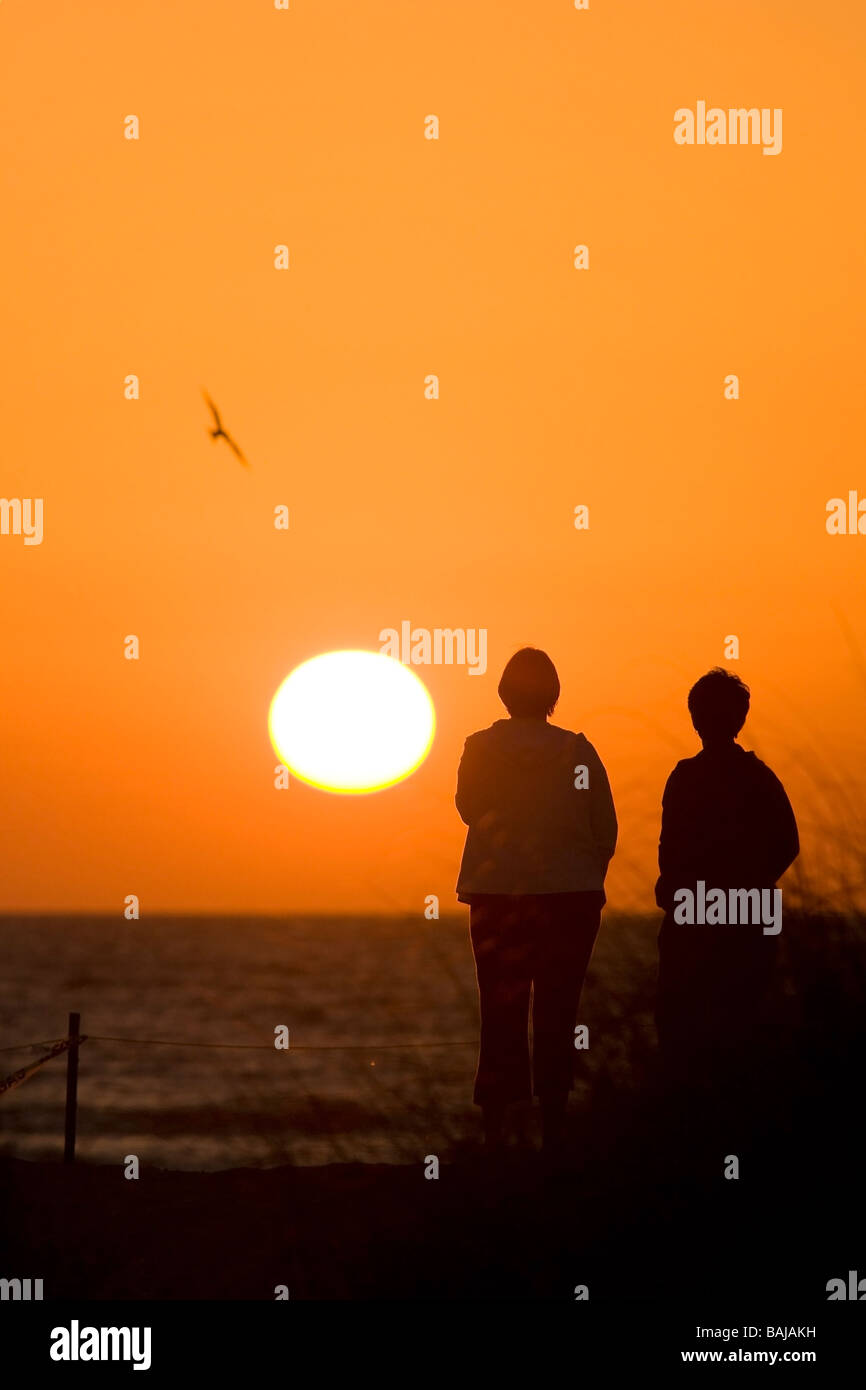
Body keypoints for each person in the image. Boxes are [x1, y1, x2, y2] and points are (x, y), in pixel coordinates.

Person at [455, 648, 617, 1152]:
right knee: (558, 1012)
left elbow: (467, 808)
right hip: (571, 898)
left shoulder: (479, 748)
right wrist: (588, 875)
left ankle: (496, 1137)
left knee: (499, 1011)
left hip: (497, 894)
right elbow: (604, 828)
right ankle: (554, 1132)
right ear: (553, 695)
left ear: (504, 692)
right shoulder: (579, 751)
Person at [654, 669, 799, 1071]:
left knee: (683, 1038)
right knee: (738, 1035)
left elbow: (669, 855)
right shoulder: (760, 777)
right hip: (742, 920)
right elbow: (788, 844)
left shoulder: (684, 778)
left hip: (698, 921)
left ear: (694, 718)